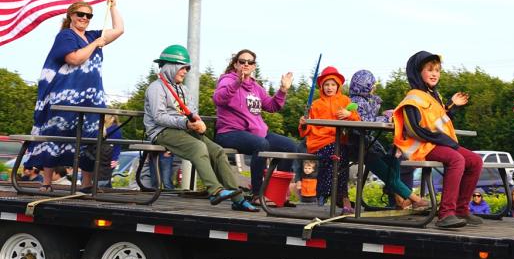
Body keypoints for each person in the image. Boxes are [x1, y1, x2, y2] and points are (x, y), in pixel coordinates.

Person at [142, 44, 258, 212]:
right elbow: (159, 117)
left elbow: (192, 111)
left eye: (187, 68)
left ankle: (237, 198)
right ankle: (215, 191)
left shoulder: (183, 89)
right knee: (198, 147)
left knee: (218, 151)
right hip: (162, 132)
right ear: (170, 67)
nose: (185, 72)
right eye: (183, 67)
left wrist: (198, 122)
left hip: (184, 129)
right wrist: (186, 123)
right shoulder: (156, 88)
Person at [24, 0, 124, 188]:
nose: (85, 18)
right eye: (81, 14)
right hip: (65, 98)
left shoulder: (94, 35)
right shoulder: (66, 36)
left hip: (92, 100)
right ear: (71, 16)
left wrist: (113, 7)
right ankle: (46, 182)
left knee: (90, 140)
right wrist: (95, 45)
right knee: (56, 136)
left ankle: (86, 184)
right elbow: (75, 59)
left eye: (89, 15)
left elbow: (119, 29)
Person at [392, 50, 482, 230]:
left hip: (436, 144)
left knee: (475, 161)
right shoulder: (413, 97)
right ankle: (446, 215)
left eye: (438, 70)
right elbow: (415, 130)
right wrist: (446, 141)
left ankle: (460, 209)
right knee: (457, 159)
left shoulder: (433, 96)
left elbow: (440, 121)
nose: (435, 74)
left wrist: (451, 105)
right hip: (422, 148)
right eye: (430, 69)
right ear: (418, 72)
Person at [213, 48, 300, 203]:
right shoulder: (227, 80)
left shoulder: (255, 86)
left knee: (290, 146)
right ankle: (257, 193)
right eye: (242, 61)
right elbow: (218, 99)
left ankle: (277, 193)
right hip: (230, 132)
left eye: (250, 62)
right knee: (261, 144)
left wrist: (283, 90)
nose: (246, 64)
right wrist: (236, 83)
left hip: (257, 133)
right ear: (235, 64)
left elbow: (272, 106)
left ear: (254, 66)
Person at [348, 69, 428, 211]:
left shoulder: (364, 100)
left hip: (368, 144)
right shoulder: (357, 102)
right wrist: (386, 117)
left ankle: (398, 198)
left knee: (392, 160)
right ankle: (413, 199)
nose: (374, 88)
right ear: (365, 86)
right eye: (372, 85)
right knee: (386, 171)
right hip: (358, 147)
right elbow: (366, 122)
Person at [300, 66, 359, 213]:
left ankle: (339, 196)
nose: (329, 87)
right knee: (334, 156)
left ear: (338, 85)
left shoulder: (345, 101)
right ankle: (329, 193)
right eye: (326, 84)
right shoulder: (316, 104)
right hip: (320, 142)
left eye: (333, 84)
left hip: (340, 142)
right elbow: (305, 130)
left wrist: (348, 114)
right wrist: (303, 123)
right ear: (321, 86)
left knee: (342, 162)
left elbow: (357, 119)